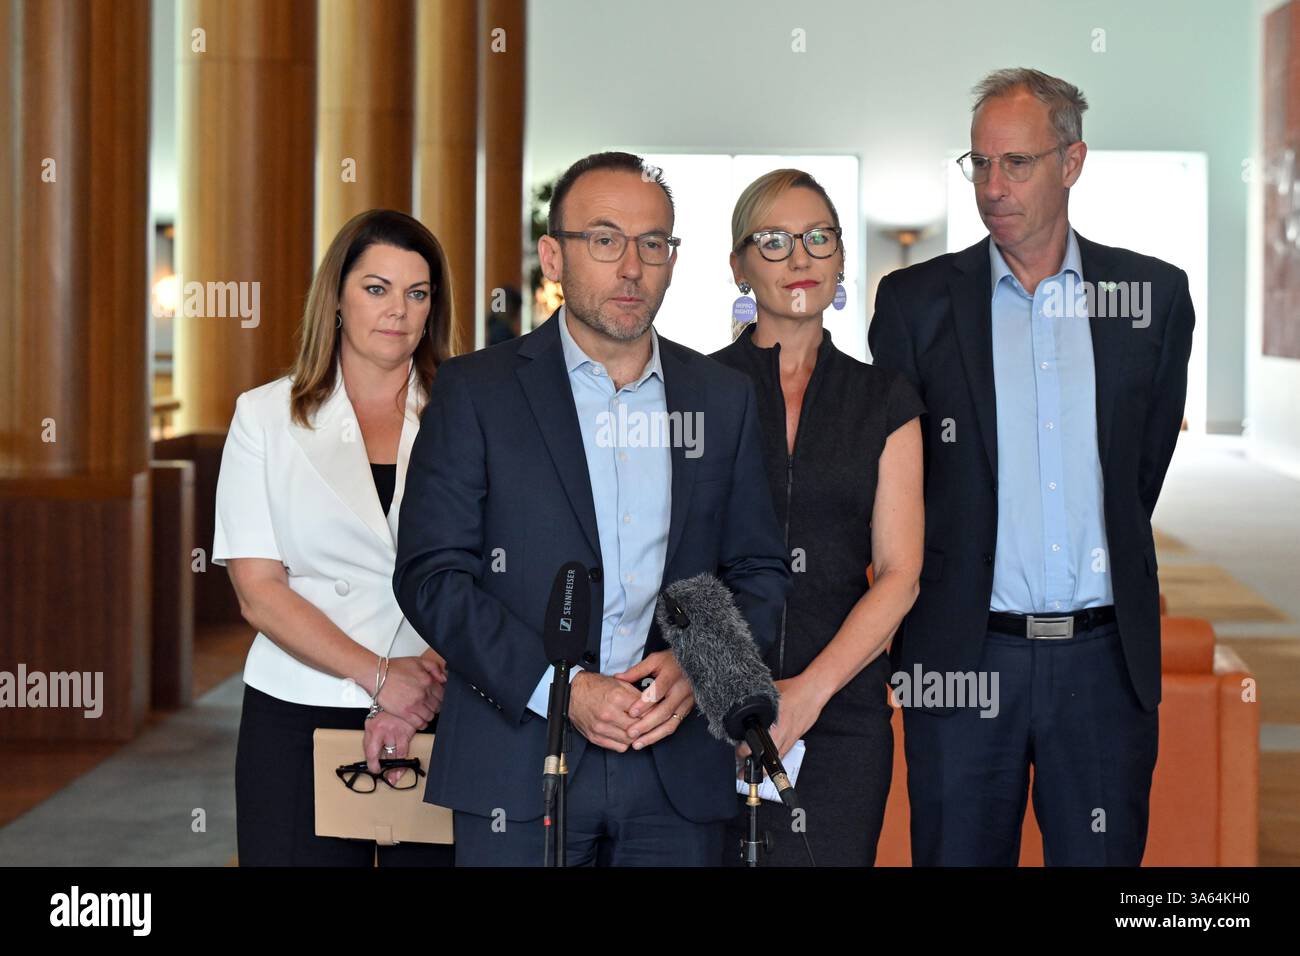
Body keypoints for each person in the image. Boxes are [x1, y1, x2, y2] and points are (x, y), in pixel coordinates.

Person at [391, 151, 791, 866]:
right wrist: (560, 689)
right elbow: (432, 575)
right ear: (553, 255)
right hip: (516, 757)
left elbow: (759, 568)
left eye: (653, 244)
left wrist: (698, 664)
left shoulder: (720, 398)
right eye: (604, 240)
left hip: (675, 770)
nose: (631, 266)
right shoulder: (476, 392)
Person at [868, 68, 1195, 866]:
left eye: (1015, 163)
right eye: (978, 163)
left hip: (1104, 668)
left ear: (1072, 162)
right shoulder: (916, 304)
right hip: (964, 662)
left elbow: (1139, 468)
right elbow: (903, 490)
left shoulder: (1150, 295)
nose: (992, 185)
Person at [213, 209, 458, 866]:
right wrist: (381, 678)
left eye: (417, 292)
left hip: (440, 703)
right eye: (376, 288)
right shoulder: (264, 416)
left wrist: (420, 688)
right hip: (302, 701)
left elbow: (494, 568)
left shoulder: (469, 412)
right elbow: (258, 592)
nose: (398, 311)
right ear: (339, 299)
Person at [711, 169, 924, 866]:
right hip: (704, 713)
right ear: (740, 265)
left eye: (817, 237)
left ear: (838, 260)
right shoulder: (693, 390)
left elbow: (900, 574)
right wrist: (732, 691)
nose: (799, 257)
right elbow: (669, 562)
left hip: (841, 717)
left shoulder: (885, 399)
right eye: (772, 241)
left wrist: (806, 695)